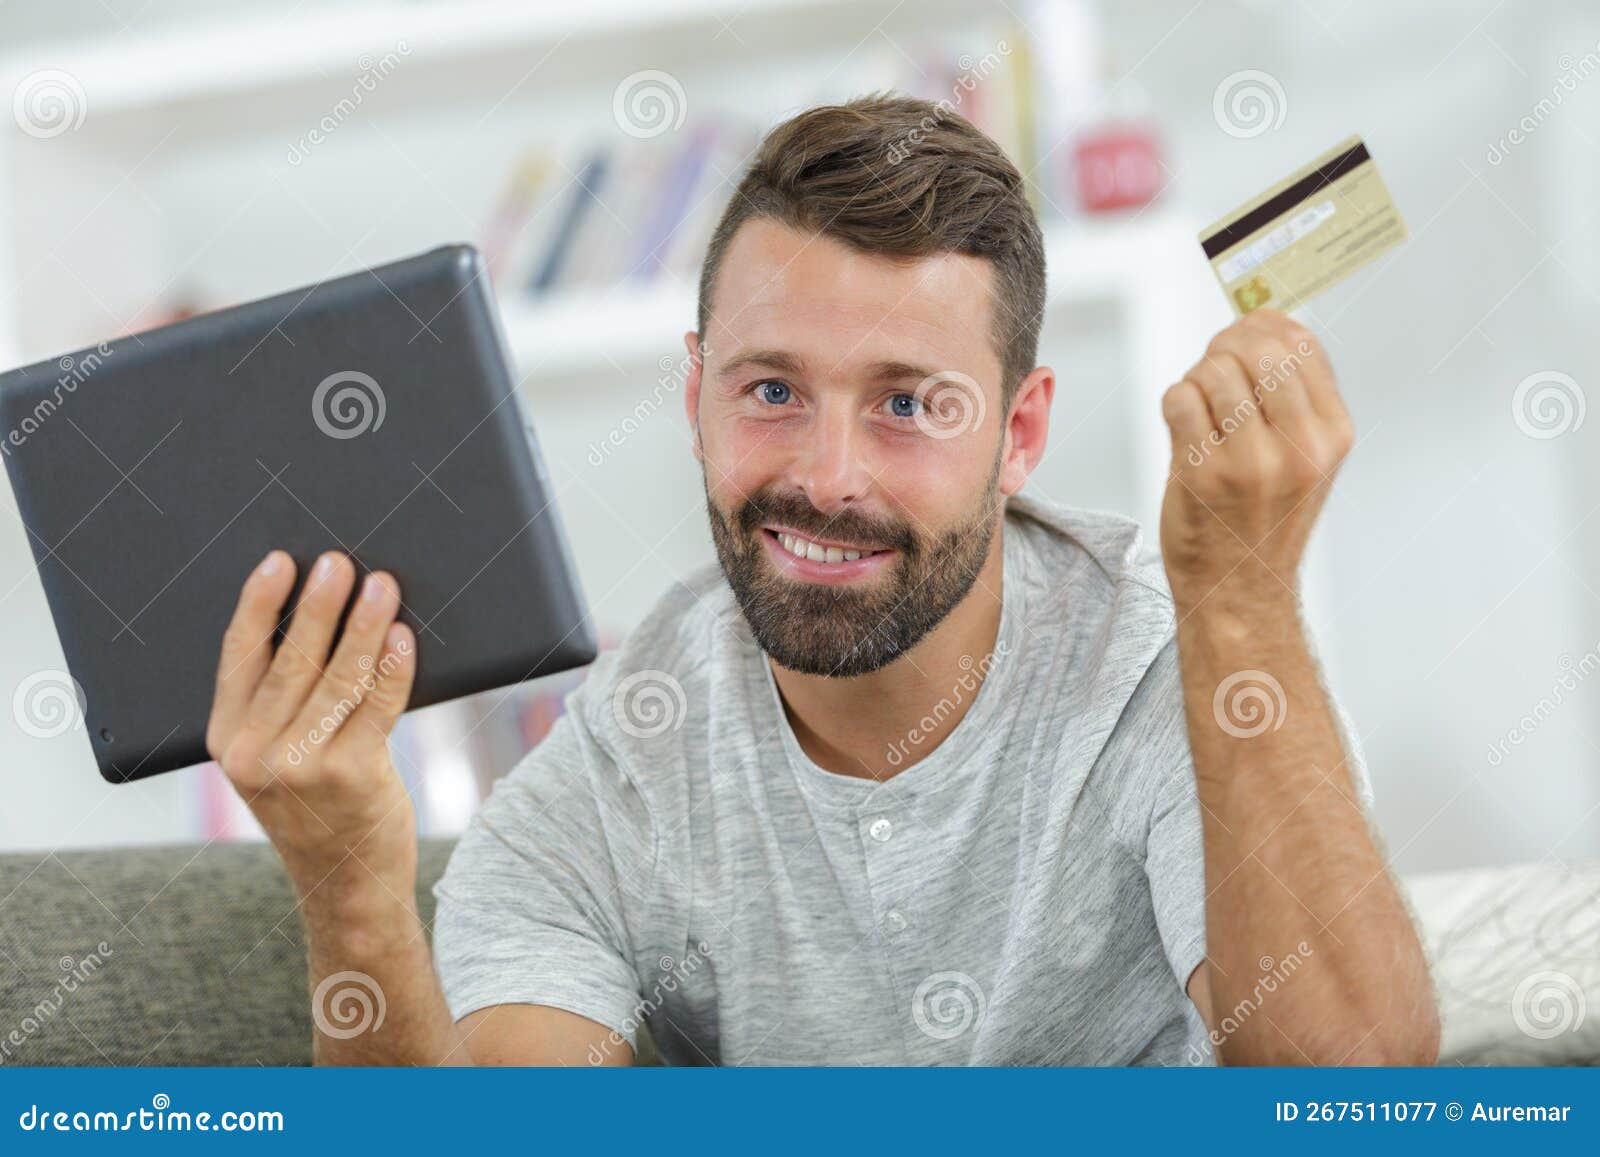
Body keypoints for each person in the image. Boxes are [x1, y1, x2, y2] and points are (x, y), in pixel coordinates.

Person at [204, 95, 1440, 1065]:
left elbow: (1353, 1096)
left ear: (1018, 435)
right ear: (695, 397)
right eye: (772, 390)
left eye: (907, 402)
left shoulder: (1178, 667)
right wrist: (351, 879)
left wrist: (1242, 597)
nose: (826, 474)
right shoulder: (608, 781)